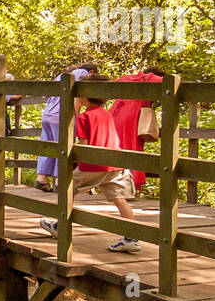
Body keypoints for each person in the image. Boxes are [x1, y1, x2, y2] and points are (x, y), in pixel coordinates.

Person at [39, 75, 143, 254]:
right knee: (119, 199)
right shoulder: (106, 114)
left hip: (92, 166)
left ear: (85, 97)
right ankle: (132, 237)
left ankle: (59, 225)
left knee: (67, 190)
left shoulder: (84, 118)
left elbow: (84, 143)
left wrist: (71, 157)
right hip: (113, 165)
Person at [35, 64, 96, 191]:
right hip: (62, 116)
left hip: (47, 114)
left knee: (48, 146)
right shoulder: (82, 73)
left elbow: (46, 96)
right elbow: (77, 98)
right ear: (91, 71)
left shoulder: (60, 76)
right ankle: (59, 181)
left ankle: (41, 179)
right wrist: (77, 117)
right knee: (64, 147)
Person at [110, 66, 164, 191]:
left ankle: (116, 185)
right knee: (133, 148)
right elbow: (172, 85)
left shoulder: (127, 78)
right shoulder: (152, 78)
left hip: (115, 114)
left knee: (117, 149)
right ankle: (131, 186)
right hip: (132, 115)